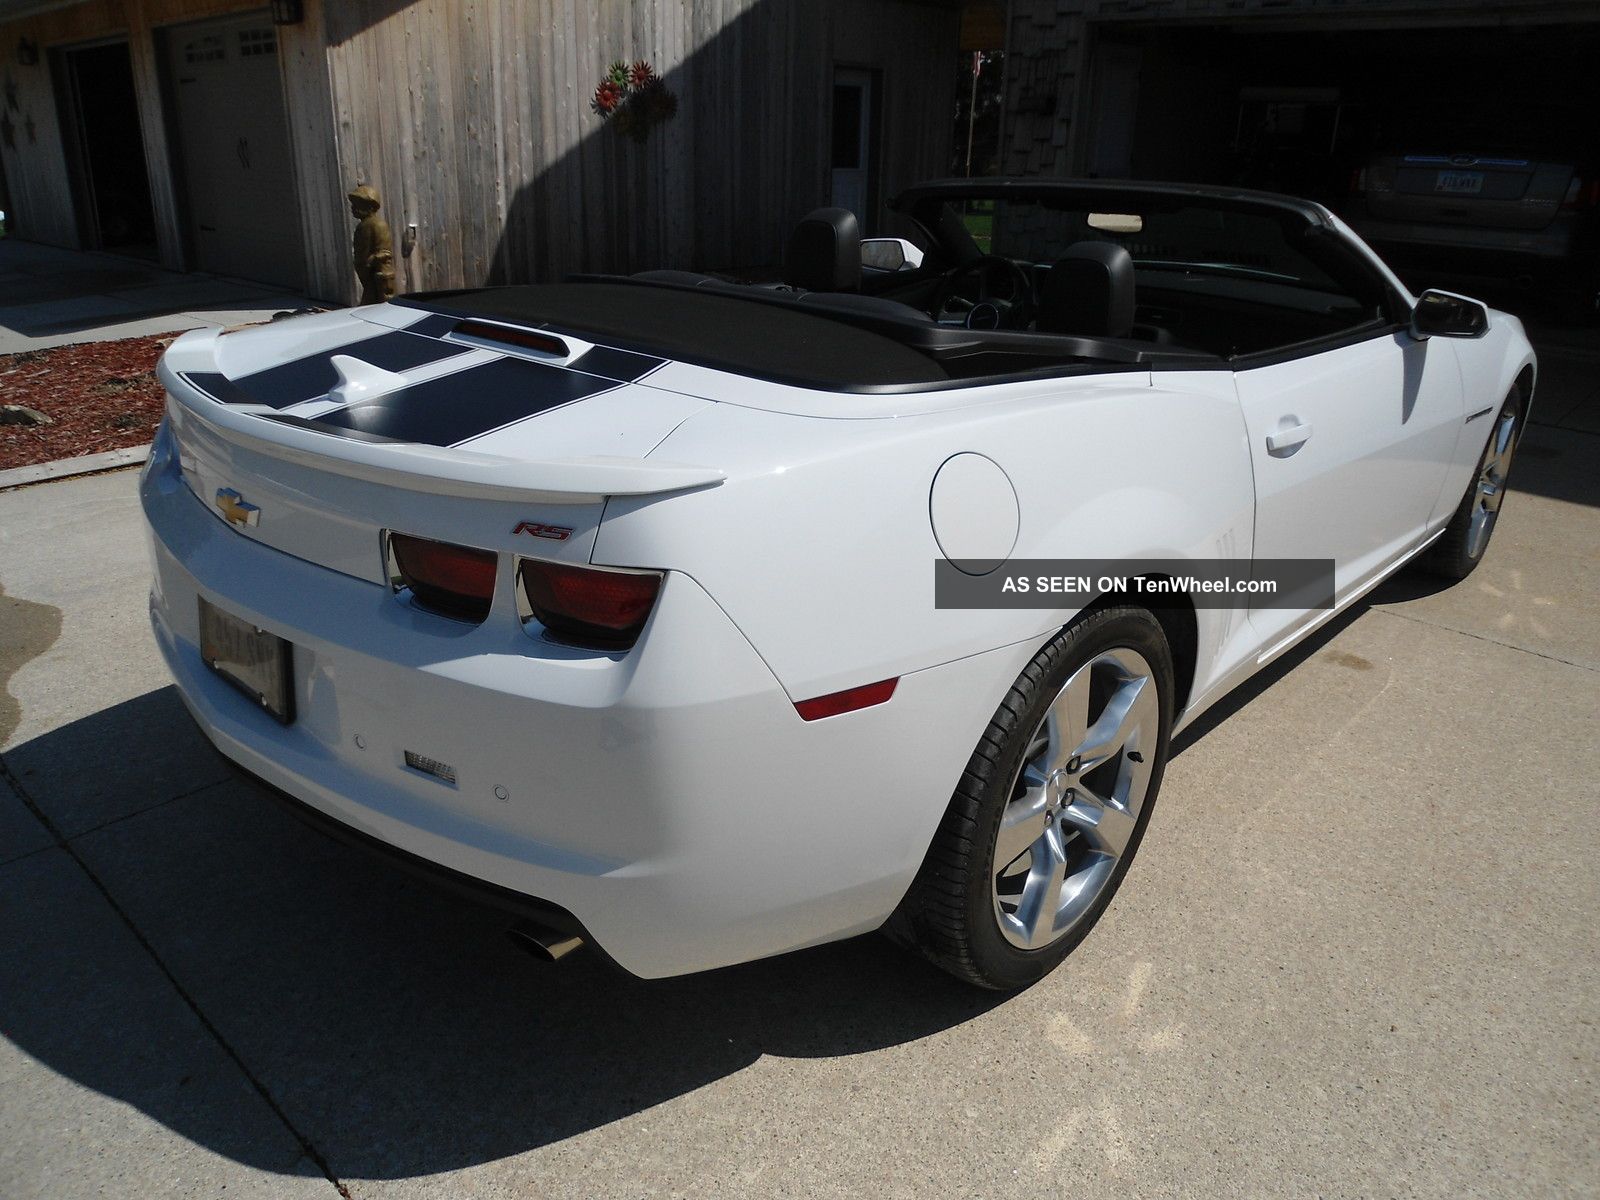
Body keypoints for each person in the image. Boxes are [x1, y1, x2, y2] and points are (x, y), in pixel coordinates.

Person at [348, 185, 396, 304]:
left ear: (370, 206)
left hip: (376, 276)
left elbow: (385, 252)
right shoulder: (363, 226)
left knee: (374, 304)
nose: (353, 208)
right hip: (366, 274)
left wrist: (372, 260)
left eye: (357, 204)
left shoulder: (378, 225)